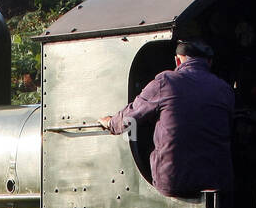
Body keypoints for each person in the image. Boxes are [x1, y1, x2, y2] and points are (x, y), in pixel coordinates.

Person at [98, 38, 234, 197]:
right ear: (209, 62)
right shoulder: (225, 90)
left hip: (174, 182)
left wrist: (111, 123)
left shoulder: (166, 82)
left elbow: (129, 118)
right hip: (216, 181)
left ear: (177, 60)